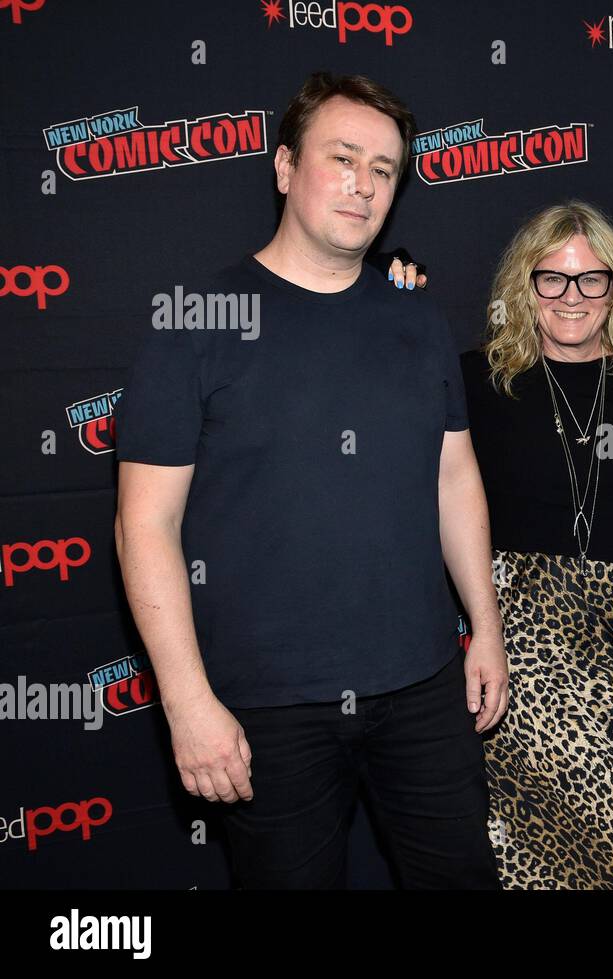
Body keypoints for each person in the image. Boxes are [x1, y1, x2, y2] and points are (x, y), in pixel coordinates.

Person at [113, 72, 506, 889]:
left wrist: (486, 625)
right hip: (265, 707)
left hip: (425, 685)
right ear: (285, 167)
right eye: (343, 158)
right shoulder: (195, 321)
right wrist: (187, 703)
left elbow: (455, 477)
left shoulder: (418, 321)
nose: (364, 185)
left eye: (385, 169)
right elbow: (143, 524)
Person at [444, 201, 613, 888]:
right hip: (526, 659)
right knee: (547, 868)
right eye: (553, 279)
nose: (572, 297)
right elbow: (446, 500)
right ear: (525, 285)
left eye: (591, 279)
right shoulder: (480, 380)